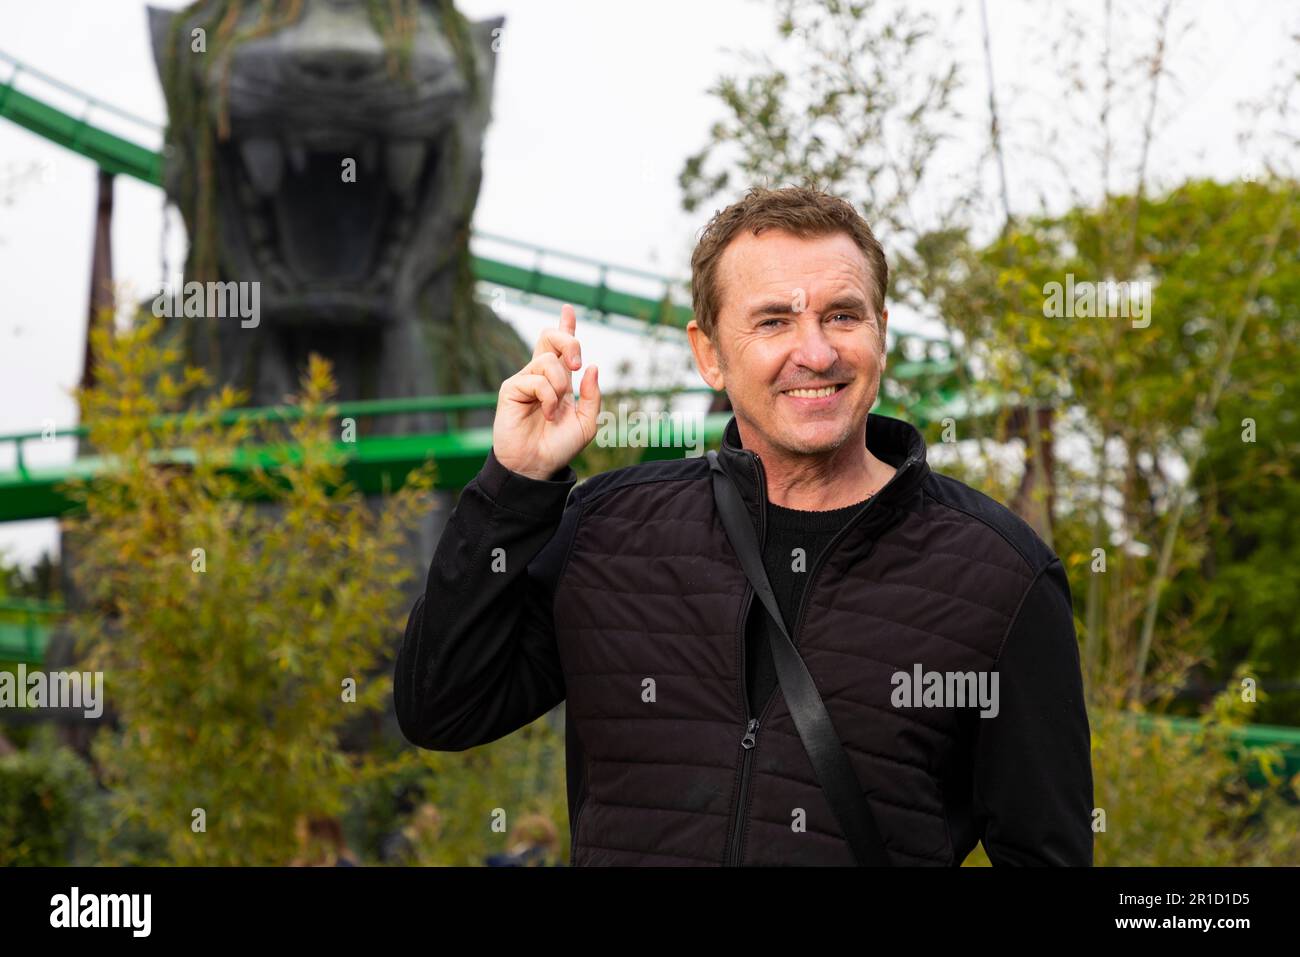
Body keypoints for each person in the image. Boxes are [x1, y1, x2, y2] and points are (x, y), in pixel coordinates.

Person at [394, 185, 1094, 866]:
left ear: (881, 330)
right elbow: (443, 706)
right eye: (773, 322)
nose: (815, 352)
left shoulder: (1001, 574)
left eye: (844, 315)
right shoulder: (607, 534)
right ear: (709, 355)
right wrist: (511, 486)